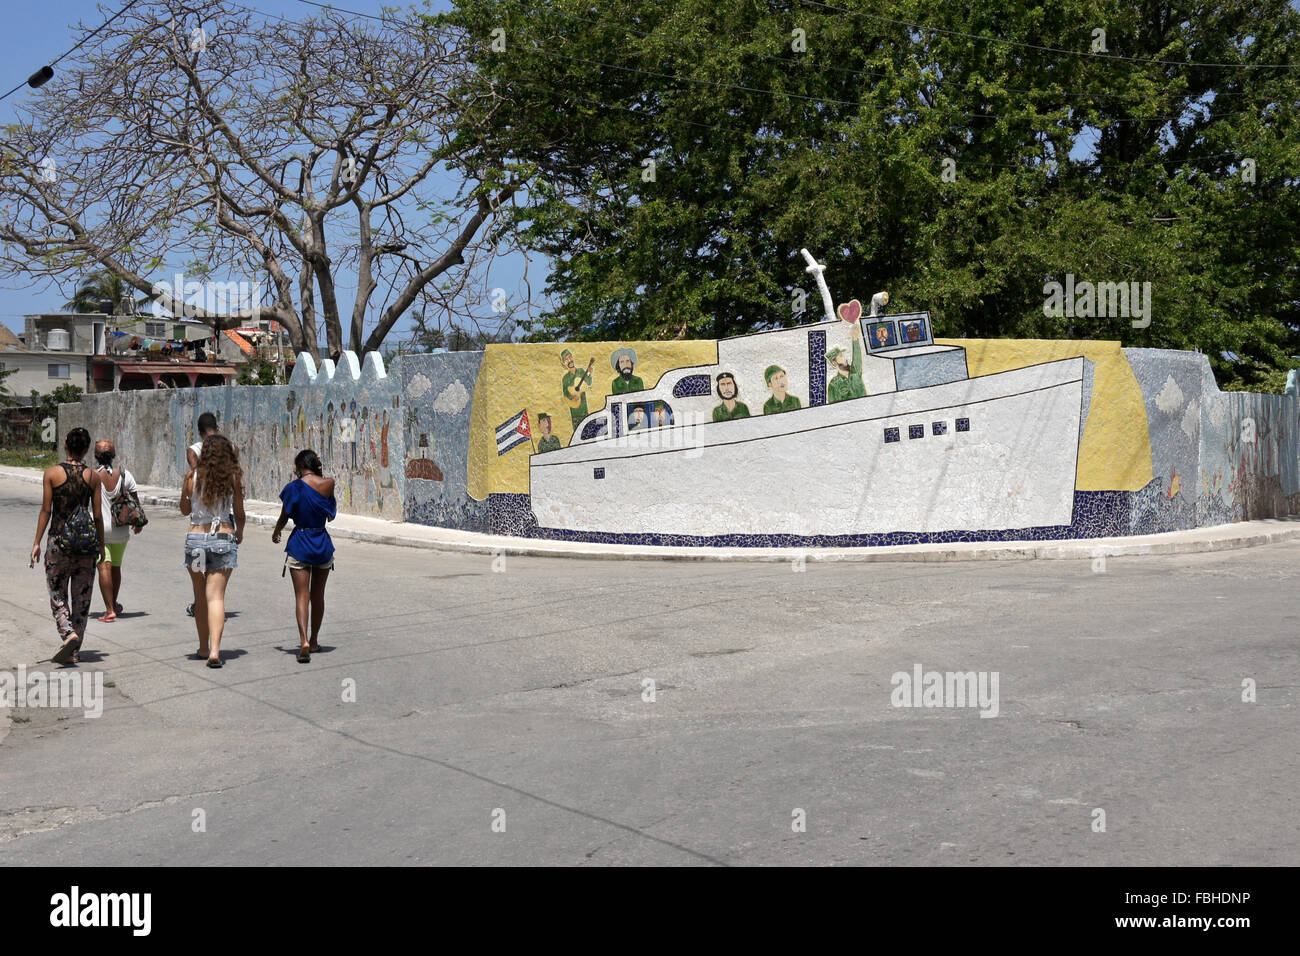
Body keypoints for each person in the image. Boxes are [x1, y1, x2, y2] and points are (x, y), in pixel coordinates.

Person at [29, 427, 105, 665]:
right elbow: (98, 515)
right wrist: (101, 546)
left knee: (56, 592)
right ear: (86, 450)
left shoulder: (51, 473)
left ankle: (67, 632)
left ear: (65, 446)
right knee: (81, 600)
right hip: (86, 547)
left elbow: (46, 510)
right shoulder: (94, 477)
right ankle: (73, 650)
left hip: (58, 543)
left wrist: (36, 543)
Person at [181, 434, 245, 668]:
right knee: (216, 597)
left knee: (200, 596)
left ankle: (202, 647)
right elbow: (239, 511)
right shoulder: (232, 477)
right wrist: (240, 532)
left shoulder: (191, 476)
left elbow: (184, 508)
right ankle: (215, 652)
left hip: (196, 540)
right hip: (222, 538)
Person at [272, 450, 337, 663]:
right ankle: (315, 640)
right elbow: (330, 514)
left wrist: (277, 531)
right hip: (321, 542)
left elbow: (285, 515)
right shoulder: (328, 483)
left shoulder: (293, 488)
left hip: (300, 541)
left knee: (302, 595)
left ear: (299, 466)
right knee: (318, 595)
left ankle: (303, 641)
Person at [93, 440, 141, 622]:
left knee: (103, 566)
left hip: (99, 529)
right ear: (113, 455)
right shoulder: (124, 475)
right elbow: (136, 500)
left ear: (96, 456)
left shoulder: (92, 476)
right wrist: (138, 523)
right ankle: (114, 602)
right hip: (120, 529)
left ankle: (109, 609)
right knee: (115, 567)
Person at [827, 321, 867, 404]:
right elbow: (833, 407)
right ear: (834, 362)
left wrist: (855, 339)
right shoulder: (834, 384)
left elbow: (857, 358)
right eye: (841, 356)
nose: (844, 358)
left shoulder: (855, 373)